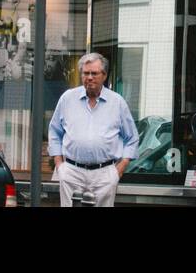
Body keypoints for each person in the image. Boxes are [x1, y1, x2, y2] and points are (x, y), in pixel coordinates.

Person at [49, 52, 139, 207]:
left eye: (94, 73)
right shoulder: (67, 99)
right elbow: (54, 132)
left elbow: (132, 138)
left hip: (104, 175)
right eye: (86, 73)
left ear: (104, 75)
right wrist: (60, 166)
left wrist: (119, 170)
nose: (89, 77)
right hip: (71, 173)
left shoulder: (117, 102)